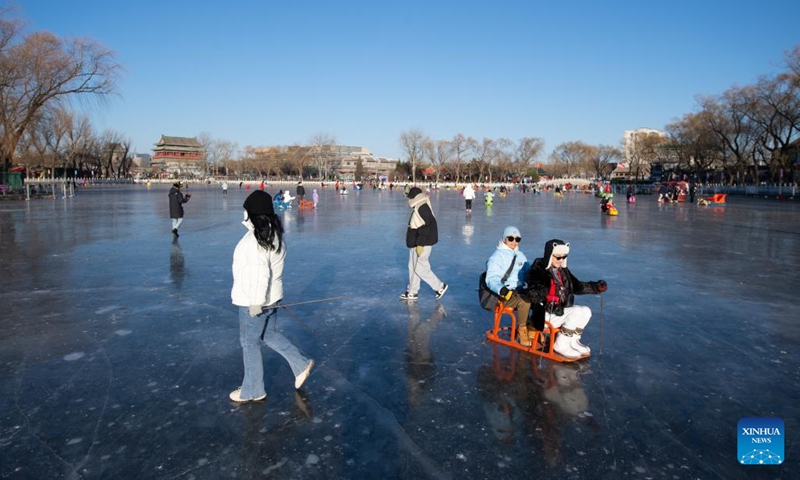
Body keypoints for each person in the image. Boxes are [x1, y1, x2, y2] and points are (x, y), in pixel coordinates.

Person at [229, 190, 314, 403]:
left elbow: (260, 273)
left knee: (249, 342)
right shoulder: (273, 234)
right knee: (268, 334)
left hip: (256, 300)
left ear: (252, 213)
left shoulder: (256, 240)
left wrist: (256, 302)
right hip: (272, 297)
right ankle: (300, 364)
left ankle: (253, 389)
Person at [523, 239, 607, 359]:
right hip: (545, 314)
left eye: (564, 257)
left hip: (559, 311)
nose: (561, 260)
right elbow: (532, 293)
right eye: (558, 257)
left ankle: (573, 341)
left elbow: (577, 286)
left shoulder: (562, 271)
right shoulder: (538, 270)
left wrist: (596, 287)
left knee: (586, 311)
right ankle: (561, 344)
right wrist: (544, 291)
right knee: (576, 312)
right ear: (549, 255)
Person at [485, 226, 533, 346]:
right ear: (504, 239)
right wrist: (502, 290)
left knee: (537, 298)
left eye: (517, 239)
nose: (514, 242)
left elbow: (529, 273)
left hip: (520, 290)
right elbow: (491, 278)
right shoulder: (496, 257)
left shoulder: (520, 255)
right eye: (511, 238)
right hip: (504, 295)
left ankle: (532, 328)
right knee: (525, 302)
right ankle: (522, 331)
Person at [400, 187, 447, 300]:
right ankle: (412, 291)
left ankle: (439, 286)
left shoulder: (422, 207)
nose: (408, 200)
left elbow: (425, 227)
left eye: (410, 197)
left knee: (420, 268)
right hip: (417, 242)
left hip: (422, 243)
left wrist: (420, 244)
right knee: (413, 267)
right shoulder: (420, 205)